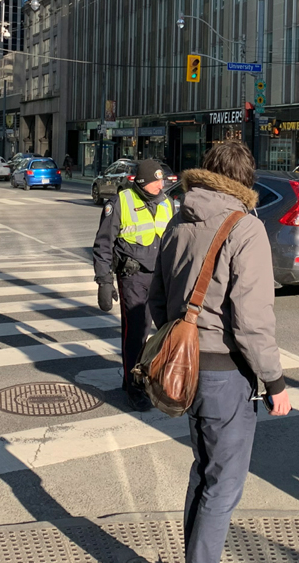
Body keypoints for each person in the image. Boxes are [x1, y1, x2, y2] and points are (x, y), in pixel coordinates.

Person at [148, 142, 290, 563]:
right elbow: (252, 319)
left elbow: (157, 298)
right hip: (226, 375)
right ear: (247, 181)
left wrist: (180, 342)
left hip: (185, 368)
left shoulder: (179, 220)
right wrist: (276, 381)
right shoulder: (245, 227)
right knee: (224, 484)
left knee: (204, 472)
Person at [93, 159, 174, 411]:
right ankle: (132, 386)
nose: (160, 185)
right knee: (136, 333)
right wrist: (104, 280)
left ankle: (150, 378)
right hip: (133, 278)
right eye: (155, 181)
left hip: (161, 279)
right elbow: (103, 244)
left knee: (162, 333)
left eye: (161, 180)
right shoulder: (121, 202)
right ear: (142, 182)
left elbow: (175, 242)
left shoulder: (167, 203)